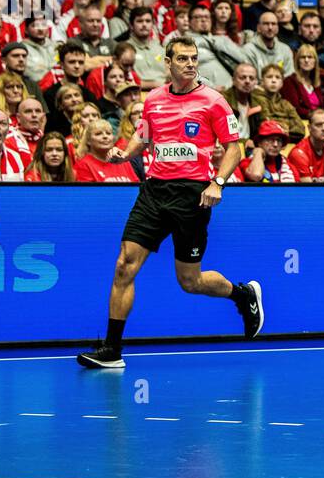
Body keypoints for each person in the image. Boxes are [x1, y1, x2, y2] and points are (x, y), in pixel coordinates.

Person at [79, 35, 263, 368]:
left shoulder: (214, 101)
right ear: (167, 63)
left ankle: (242, 294)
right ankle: (112, 350)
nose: (191, 64)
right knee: (124, 265)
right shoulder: (153, 99)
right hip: (154, 191)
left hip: (192, 195)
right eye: (182, 59)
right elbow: (144, 135)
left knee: (190, 281)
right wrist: (126, 153)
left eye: (194, 59)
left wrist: (218, 183)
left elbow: (234, 148)